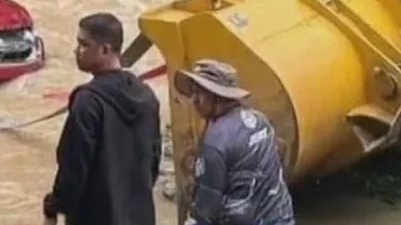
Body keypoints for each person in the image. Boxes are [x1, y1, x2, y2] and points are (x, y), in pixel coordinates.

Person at [42, 13, 161, 225]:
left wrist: (54, 206)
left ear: (105, 50)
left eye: (84, 44)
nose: (76, 50)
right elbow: (153, 161)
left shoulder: (88, 102)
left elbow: (73, 168)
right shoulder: (147, 97)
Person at [175, 59, 295, 225]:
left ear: (217, 96)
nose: (194, 100)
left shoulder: (215, 142)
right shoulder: (259, 120)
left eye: (200, 93)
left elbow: (205, 209)